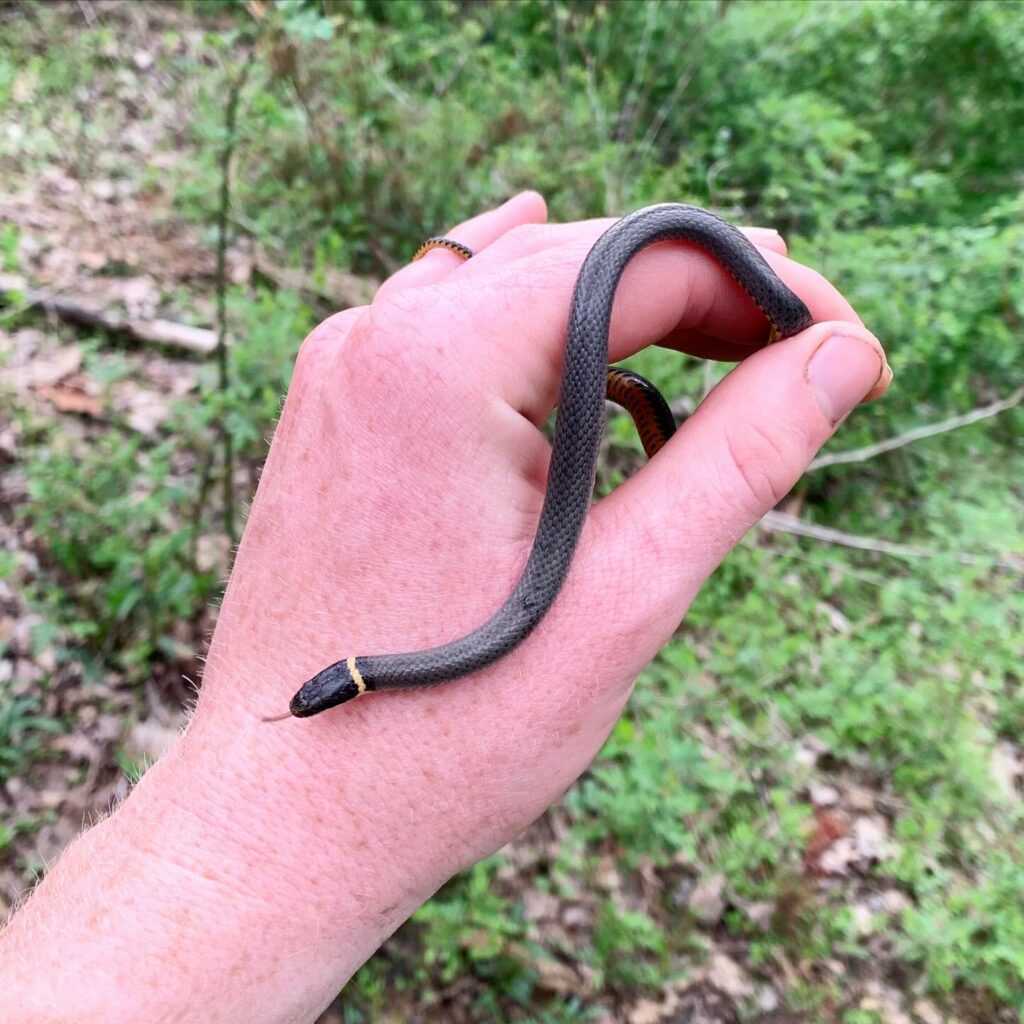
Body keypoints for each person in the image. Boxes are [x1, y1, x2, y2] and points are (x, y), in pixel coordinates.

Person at [0, 193, 889, 1022]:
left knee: (646, 323)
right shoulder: (429, 652)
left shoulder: (430, 650)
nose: (306, 702)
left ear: (345, 685)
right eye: (319, 694)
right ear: (346, 685)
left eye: (316, 693)